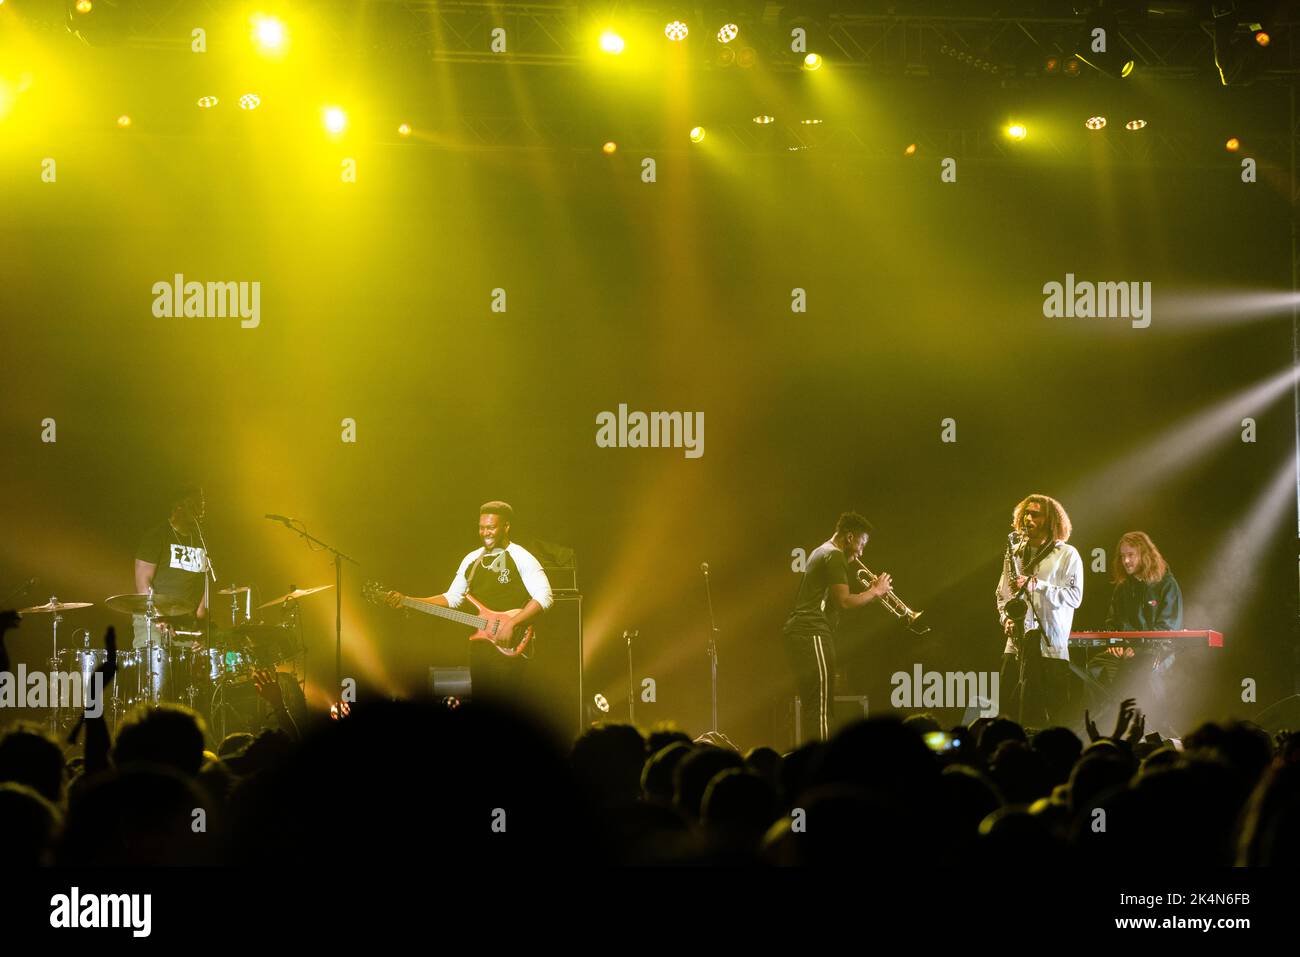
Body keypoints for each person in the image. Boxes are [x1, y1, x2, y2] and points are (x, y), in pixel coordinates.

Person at [386, 501, 552, 701]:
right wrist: (408, 600)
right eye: (481, 528)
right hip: (480, 646)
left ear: (506, 527)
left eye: (491, 527)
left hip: (510, 643)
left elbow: (545, 597)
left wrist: (512, 623)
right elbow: (453, 598)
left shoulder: (522, 557)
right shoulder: (471, 560)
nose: (485, 533)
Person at [782, 512, 892, 743]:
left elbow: (830, 600)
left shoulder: (821, 551)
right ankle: (822, 768)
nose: (861, 552)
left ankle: (812, 762)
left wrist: (867, 590)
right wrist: (875, 592)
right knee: (821, 707)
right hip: (811, 632)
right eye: (861, 544)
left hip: (800, 633)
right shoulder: (833, 556)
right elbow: (845, 602)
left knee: (815, 705)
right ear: (850, 537)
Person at [995, 494, 1083, 727]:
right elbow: (1001, 594)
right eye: (1026, 513)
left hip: (1049, 646)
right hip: (1017, 644)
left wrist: (1037, 585)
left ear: (1050, 521)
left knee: (1050, 718)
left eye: (1035, 514)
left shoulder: (1067, 554)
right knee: (1005, 712)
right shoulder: (1014, 552)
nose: (1028, 518)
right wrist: (1005, 617)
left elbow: (1075, 597)